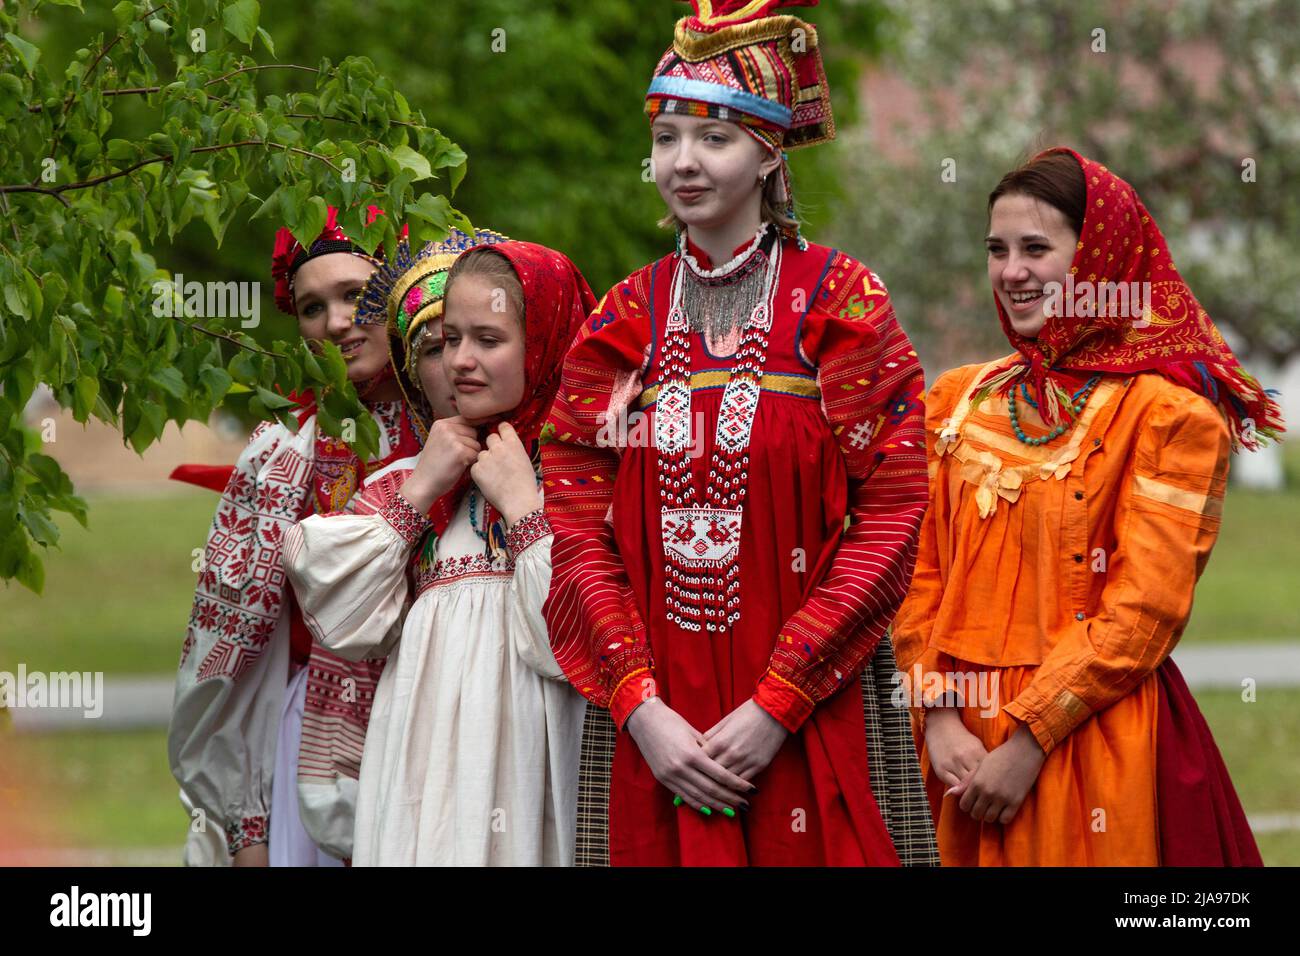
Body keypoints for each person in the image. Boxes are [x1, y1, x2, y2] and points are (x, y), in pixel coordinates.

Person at [542, 0, 931, 866]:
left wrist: (777, 701)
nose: (683, 162)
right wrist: (640, 705)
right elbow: (574, 522)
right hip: (658, 725)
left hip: (809, 703)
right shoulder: (620, 320)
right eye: (666, 137)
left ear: (767, 153)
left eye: (713, 139)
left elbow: (895, 510)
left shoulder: (843, 302)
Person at [892, 146, 1280, 866]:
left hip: (1088, 741)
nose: (1012, 272)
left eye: (1037, 248)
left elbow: (1143, 610)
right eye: (997, 249)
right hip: (955, 753)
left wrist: (1028, 740)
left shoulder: (1168, 417)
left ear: (1102, 258)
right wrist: (938, 717)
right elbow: (918, 575)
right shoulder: (955, 401)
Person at [283, 237, 594, 865]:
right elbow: (338, 611)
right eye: (447, 341)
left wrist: (526, 511)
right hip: (422, 777)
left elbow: (568, 645)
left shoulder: (585, 477)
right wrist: (422, 486)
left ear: (547, 339)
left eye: (488, 340)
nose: (459, 362)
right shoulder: (415, 487)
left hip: (536, 762)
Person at [168, 206, 421, 865]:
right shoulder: (282, 452)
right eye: (312, 308)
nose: (336, 322)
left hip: (442, 708)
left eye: (356, 295)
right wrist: (247, 825)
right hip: (314, 744)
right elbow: (238, 650)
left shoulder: (464, 414)